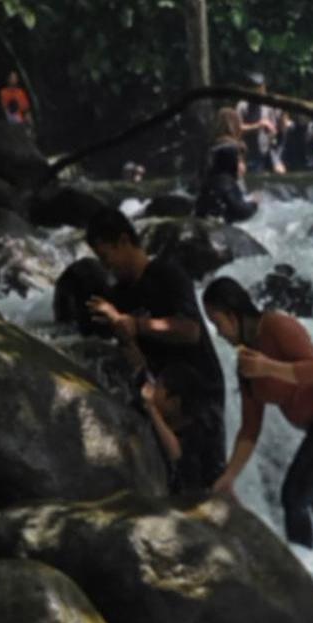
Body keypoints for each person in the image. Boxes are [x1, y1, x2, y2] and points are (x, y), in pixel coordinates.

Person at [202, 277, 313, 549]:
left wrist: (269, 368)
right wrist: (230, 476)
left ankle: (303, 576)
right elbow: (249, 429)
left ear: (233, 316)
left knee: (293, 498)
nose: (218, 332)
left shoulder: (277, 325)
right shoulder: (246, 364)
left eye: (217, 322)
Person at [83, 209, 227, 492]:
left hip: (200, 394)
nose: (106, 266)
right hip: (164, 398)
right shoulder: (119, 295)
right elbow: (131, 348)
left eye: (105, 256)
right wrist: (122, 335)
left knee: (206, 483)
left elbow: (191, 331)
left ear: (124, 241)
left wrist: (136, 324)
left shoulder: (168, 275)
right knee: (175, 482)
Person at [142, 362, 222, 496]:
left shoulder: (200, 432)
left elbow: (177, 453)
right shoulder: (171, 418)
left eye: (158, 387)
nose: (153, 390)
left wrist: (152, 409)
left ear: (174, 403)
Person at [195, 107, 258, 223]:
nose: (244, 166)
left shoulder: (209, 149)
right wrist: (254, 204)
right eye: (241, 161)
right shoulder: (232, 150)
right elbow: (240, 211)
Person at [237, 73, 284, 174]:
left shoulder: (268, 105)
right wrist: (258, 125)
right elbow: (237, 129)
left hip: (268, 151)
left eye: (262, 88)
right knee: (256, 185)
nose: (261, 91)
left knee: (281, 172)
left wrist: (272, 129)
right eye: (257, 88)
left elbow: (274, 128)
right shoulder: (242, 105)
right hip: (250, 153)